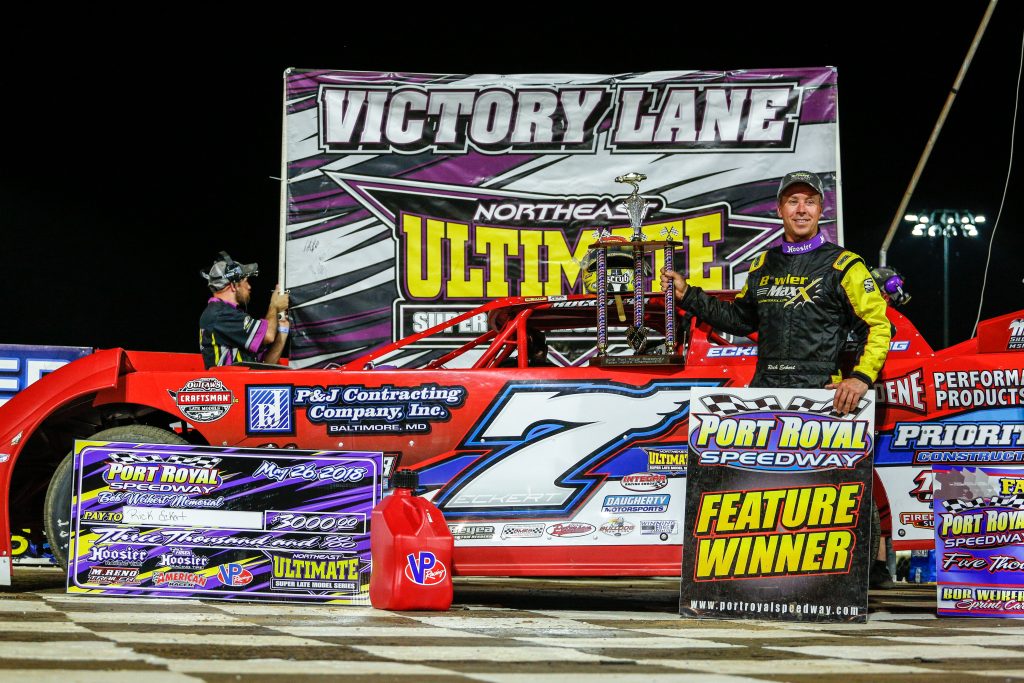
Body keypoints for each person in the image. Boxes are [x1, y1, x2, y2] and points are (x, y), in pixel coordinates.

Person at [661, 171, 891, 415]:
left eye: (810, 201)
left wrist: (861, 377)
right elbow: (739, 319)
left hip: (821, 394)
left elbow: (877, 326)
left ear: (820, 209)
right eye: (793, 201)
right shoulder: (763, 264)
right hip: (765, 390)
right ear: (780, 209)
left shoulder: (845, 265)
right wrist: (687, 294)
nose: (802, 209)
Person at [199, 252, 290, 368]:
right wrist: (274, 305)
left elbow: (267, 364)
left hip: (241, 384)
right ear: (234, 285)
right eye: (246, 281)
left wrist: (283, 328)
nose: (249, 287)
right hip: (231, 384)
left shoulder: (229, 315)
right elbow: (268, 335)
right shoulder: (220, 314)